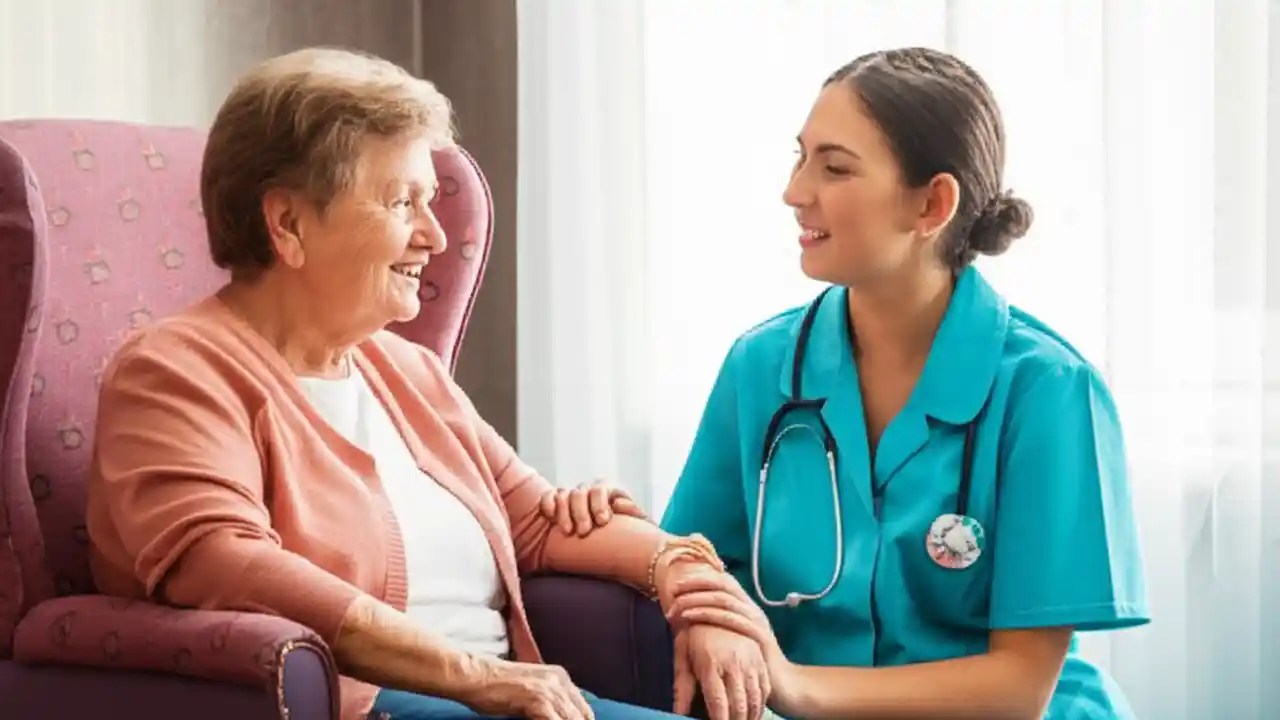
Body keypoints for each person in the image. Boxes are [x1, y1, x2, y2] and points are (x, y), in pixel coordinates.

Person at [85, 47, 768, 720]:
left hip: (513, 702)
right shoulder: (174, 371)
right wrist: (475, 678)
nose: (435, 236)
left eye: (432, 201)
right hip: (387, 706)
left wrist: (684, 575)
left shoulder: (402, 369)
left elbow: (535, 520)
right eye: (402, 202)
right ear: (288, 223)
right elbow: (224, 564)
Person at [561, 47, 1150, 719]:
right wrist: (616, 529)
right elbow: (698, 567)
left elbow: (1017, 689)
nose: (794, 191)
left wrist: (796, 687)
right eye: (801, 156)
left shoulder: (1049, 391)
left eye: (835, 167)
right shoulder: (760, 367)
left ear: (932, 203)